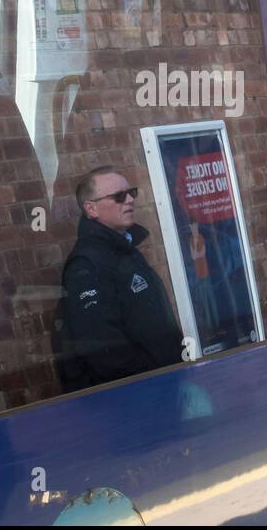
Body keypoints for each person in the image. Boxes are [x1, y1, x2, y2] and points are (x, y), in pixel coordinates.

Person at [55, 166, 183, 390]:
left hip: (164, 383)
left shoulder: (124, 249)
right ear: (91, 209)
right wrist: (153, 380)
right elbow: (104, 349)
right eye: (118, 196)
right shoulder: (86, 265)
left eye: (131, 192)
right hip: (139, 394)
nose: (130, 200)